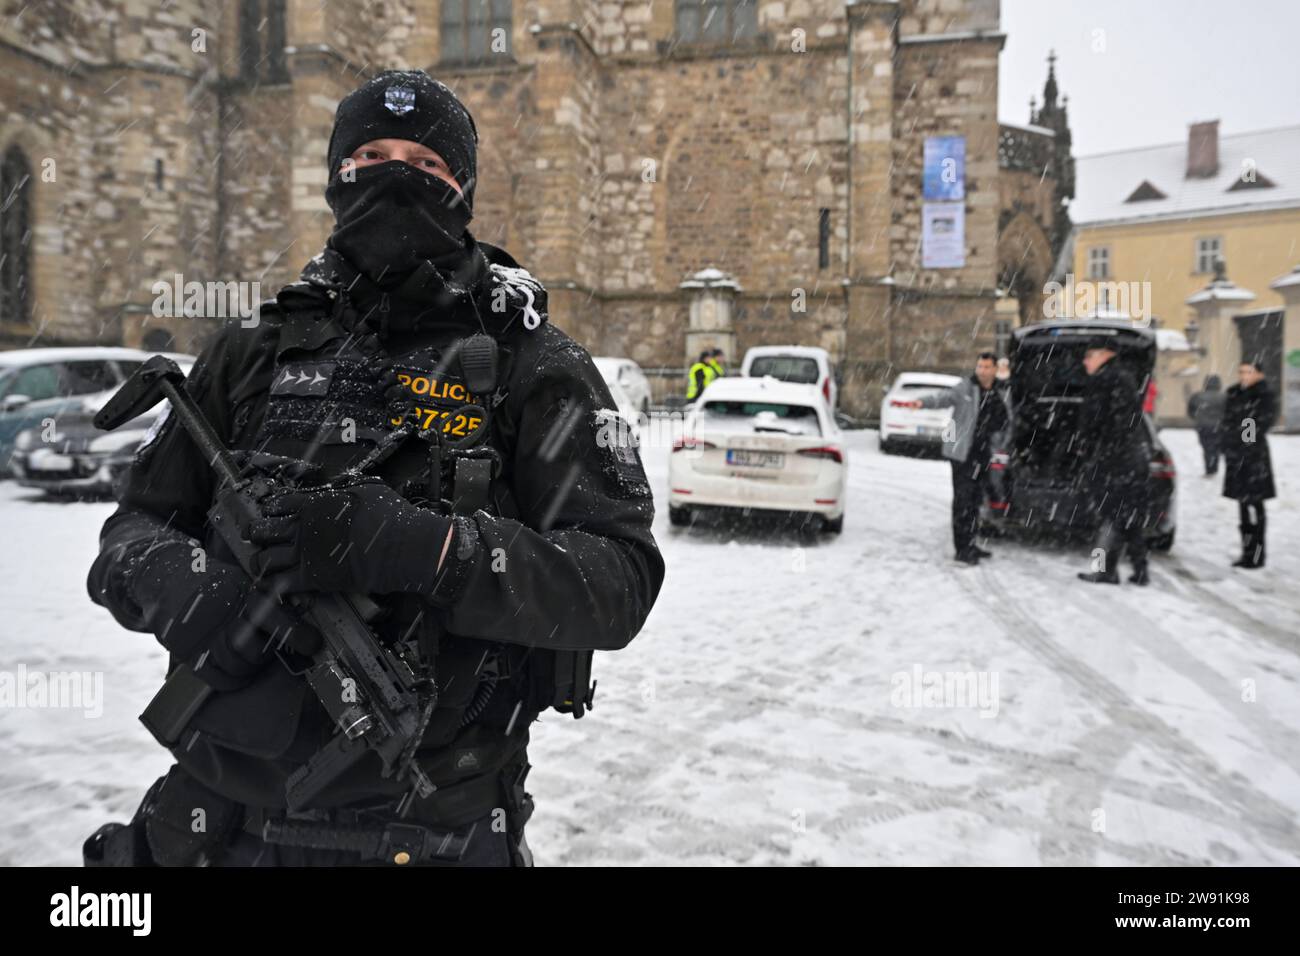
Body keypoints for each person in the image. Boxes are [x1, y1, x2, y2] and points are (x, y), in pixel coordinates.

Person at [83, 70, 665, 867]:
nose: (398, 177)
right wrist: (181, 584)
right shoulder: (254, 350)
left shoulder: (534, 363)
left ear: (463, 189)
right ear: (335, 179)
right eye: (372, 155)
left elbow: (619, 579)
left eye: (427, 165)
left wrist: (425, 550)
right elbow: (129, 529)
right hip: (220, 823)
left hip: (437, 831)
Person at [904, 352, 1011, 564]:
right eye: (979, 366)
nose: (982, 371)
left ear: (994, 369)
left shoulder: (1000, 390)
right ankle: (962, 549)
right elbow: (943, 398)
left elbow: (1006, 416)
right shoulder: (966, 387)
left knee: (976, 501)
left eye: (986, 367)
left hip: (984, 454)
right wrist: (920, 402)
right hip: (963, 455)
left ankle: (971, 543)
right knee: (963, 501)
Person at [1074, 339, 1152, 586]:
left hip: (1115, 461)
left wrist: (1087, 448)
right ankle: (1140, 571)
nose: (1085, 361)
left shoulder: (1104, 381)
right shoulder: (1124, 378)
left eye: (1089, 356)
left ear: (1104, 355)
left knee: (1109, 516)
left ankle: (1103, 571)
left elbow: (1095, 424)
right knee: (1127, 518)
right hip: (1130, 459)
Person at [1220, 360, 1276, 569]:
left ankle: (1257, 554)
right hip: (1238, 455)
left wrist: (1244, 444)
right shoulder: (1234, 393)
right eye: (1241, 371)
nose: (1244, 375)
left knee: (1255, 505)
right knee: (1243, 507)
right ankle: (1247, 552)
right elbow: (1228, 420)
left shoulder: (1262, 394)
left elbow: (1255, 424)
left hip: (1253, 458)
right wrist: (1228, 444)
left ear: (1259, 375)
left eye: (1249, 372)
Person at [1187, 375, 1226, 475]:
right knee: (1215, 448)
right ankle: (1214, 467)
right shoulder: (1225, 397)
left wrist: (1197, 418)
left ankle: (1210, 468)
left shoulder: (1197, 396)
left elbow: (1191, 411)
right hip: (1219, 426)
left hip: (1203, 426)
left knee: (1207, 448)